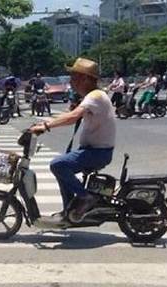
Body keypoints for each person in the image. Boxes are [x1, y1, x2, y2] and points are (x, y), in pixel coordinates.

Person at [29, 58, 116, 224]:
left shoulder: (95, 96)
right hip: (95, 151)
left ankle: (85, 198)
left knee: (58, 164)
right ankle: (69, 210)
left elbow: (72, 117)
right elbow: (68, 115)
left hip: (97, 153)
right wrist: (43, 123)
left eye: (74, 77)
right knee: (62, 168)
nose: (71, 81)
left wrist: (46, 126)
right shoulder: (93, 96)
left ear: (85, 78)